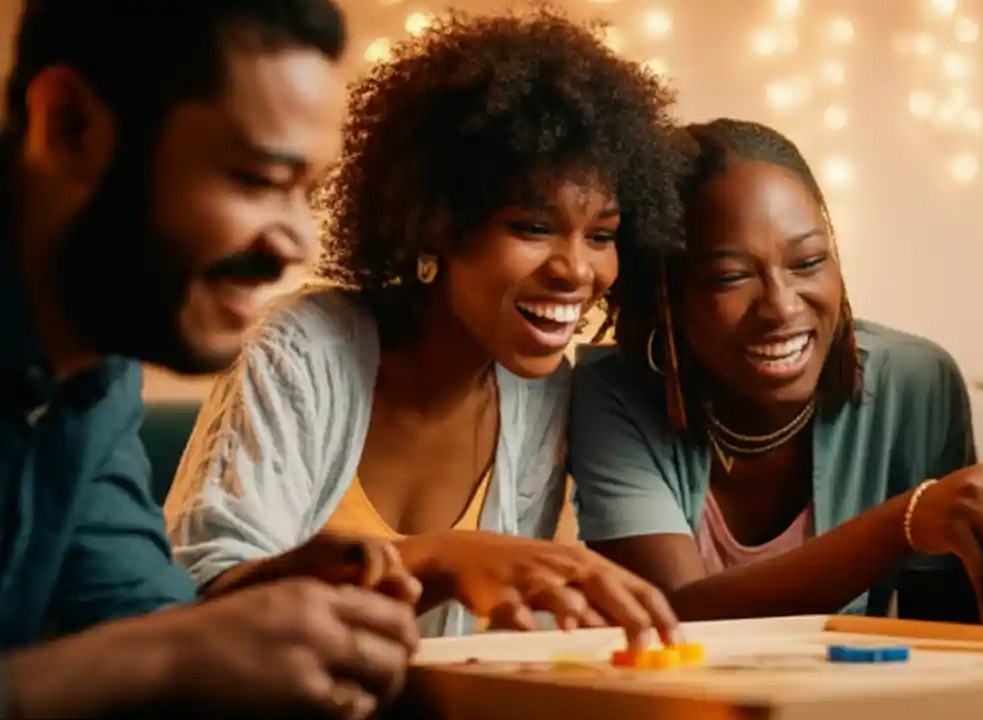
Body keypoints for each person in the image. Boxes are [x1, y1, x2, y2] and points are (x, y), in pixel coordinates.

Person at [164, 9, 683, 645]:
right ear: (435, 224)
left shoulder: (541, 390)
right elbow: (202, 597)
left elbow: (486, 643)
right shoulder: (307, 346)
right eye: (532, 227)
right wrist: (436, 558)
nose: (577, 269)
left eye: (602, 235)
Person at [0, 1, 422, 716]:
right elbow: (152, 656)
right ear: (69, 125)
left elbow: (127, 626)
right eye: (257, 180)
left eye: (309, 195)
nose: (297, 245)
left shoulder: (95, 372)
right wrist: (178, 651)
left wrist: (262, 604)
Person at [570, 118, 983, 627]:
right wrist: (906, 521)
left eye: (807, 262)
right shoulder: (611, 394)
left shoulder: (915, 383)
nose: (782, 307)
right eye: (730, 277)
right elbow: (673, 614)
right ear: (666, 297)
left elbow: (945, 636)